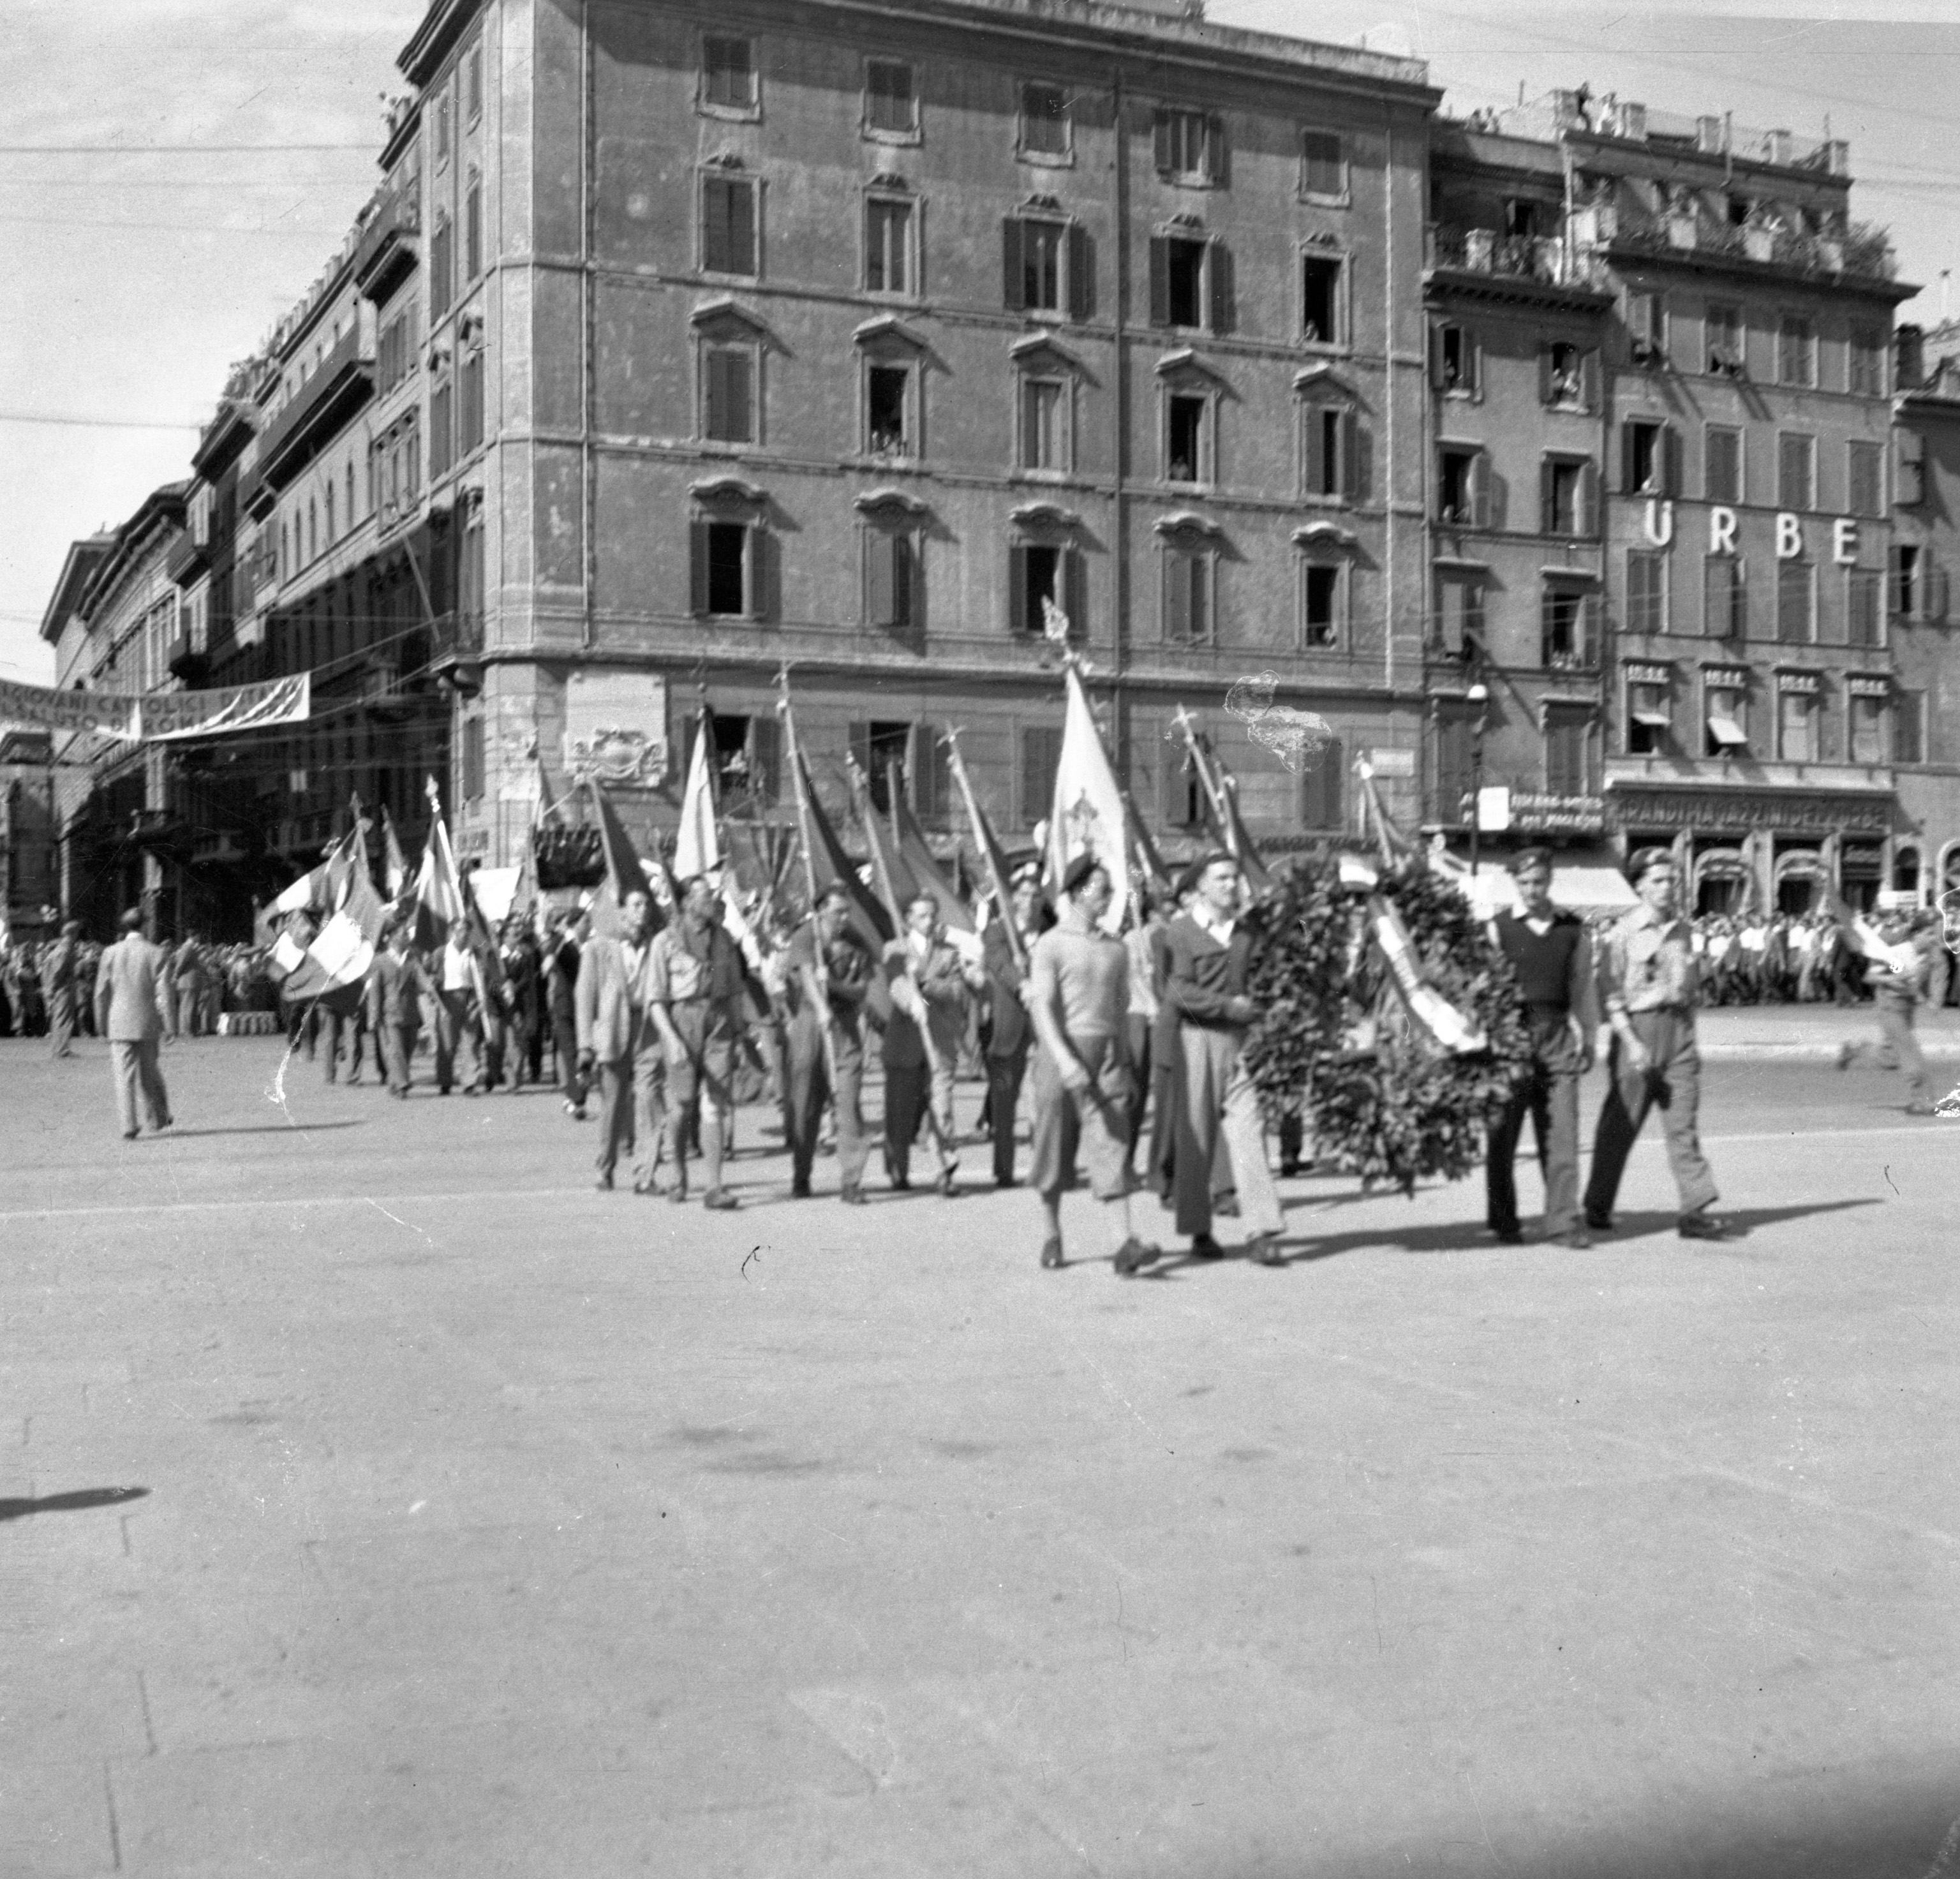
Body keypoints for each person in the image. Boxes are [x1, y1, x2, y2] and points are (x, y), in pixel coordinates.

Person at [1582, 849, 1731, 1240]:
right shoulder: (1621, 934)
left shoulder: (1682, 931)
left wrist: (1689, 1033)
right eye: (1659, 881)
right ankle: (1597, 1205)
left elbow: (1690, 985)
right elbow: (1610, 996)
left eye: (1672, 880)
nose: (1668, 888)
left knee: (1684, 1127)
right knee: (1621, 1125)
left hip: (1678, 1033)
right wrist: (1631, 1042)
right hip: (1639, 1032)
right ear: (1640, 886)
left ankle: (1694, 1210)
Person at [1025, 856, 1159, 1275]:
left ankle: (1125, 1244)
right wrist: (1064, 1059)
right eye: (1102, 889)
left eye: (1111, 889)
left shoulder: (1116, 948)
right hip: (1061, 1054)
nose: (1110, 896)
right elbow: (1042, 1008)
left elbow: (1120, 1007)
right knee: (1053, 1145)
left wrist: (1122, 1059)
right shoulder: (1051, 944)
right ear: (1077, 892)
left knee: (1112, 1144)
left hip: (1107, 1056)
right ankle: (1052, 1234)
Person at [1162, 852, 1284, 1263]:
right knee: (1197, 1137)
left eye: (1234, 878)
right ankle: (1199, 1231)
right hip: (1197, 1041)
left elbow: (1267, 971)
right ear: (1200, 886)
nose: (1231, 885)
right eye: (1221, 879)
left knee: (1250, 1130)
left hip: (1240, 1042)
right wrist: (1227, 1007)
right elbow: (1177, 991)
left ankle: (1261, 1230)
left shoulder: (1247, 932)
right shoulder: (1180, 932)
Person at [1485, 848, 1598, 1249]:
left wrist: (1590, 1037)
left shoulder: (1573, 930)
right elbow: (1486, 990)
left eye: (1539, 882)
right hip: (1512, 1039)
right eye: (1524, 882)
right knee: (1503, 1136)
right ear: (1515, 883)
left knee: (1563, 1137)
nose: (1532, 890)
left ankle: (1563, 1223)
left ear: (1550, 881)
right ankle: (1504, 1219)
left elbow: (1583, 986)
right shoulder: (1498, 929)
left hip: (1557, 1038)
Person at [648, 874, 746, 1209]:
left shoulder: (724, 939)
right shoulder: (666, 941)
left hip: (718, 1020)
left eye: (712, 895)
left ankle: (714, 1187)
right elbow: (655, 999)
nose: (711, 901)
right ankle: (678, 1174)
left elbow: (735, 989)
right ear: (687, 902)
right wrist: (671, 1039)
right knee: (682, 1106)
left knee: (714, 1104)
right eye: (704, 896)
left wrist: (739, 1034)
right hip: (682, 1020)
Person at [779, 884, 878, 1203]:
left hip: (845, 1026)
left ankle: (852, 1181)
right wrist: (821, 1007)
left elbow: (861, 990)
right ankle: (801, 1174)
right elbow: (807, 975)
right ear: (821, 910)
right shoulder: (805, 936)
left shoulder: (856, 941)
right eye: (838, 912)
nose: (844, 918)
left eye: (847, 912)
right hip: (811, 1023)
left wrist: (833, 985)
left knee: (848, 1105)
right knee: (806, 1103)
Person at [574, 887, 665, 1193]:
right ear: (622, 911)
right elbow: (585, 997)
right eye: (636, 905)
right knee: (613, 1103)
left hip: (648, 1029)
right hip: (612, 1029)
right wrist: (585, 1044)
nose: (643, 910)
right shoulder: (599, 948)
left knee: (650, 1098)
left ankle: (645, 1175)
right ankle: (606, 1166)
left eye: (646, 905)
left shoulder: (656, 944)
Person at [880, 894, 963, 1196]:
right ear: (908, 920)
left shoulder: (948, 953)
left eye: (932, 915)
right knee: (900, 1111)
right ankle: (898, 1170)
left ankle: (945, 1170)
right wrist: (911, 1000)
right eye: (922, 916)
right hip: (905, 1043)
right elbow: (895, 984)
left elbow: (956, 991)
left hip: (939, 1042)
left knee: (942, 1108)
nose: (929, 921)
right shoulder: (895, 949)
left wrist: (927, 986)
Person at [979, 868, 1045, 1189]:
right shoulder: (997, 931)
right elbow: (1001, 965)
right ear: (1013, 898)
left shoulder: (1049, 930)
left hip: (1044, 1027)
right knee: (1005, 1102)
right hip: (1009, 1027)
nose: (1030, 901)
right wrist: (1022, 983)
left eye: (1035, 895)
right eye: (1024, 895)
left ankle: (1045, 1166)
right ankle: (1004, 1169)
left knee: (1045, 1099)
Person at [1836, 910, 1934, 1113]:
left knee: (1890, 1058)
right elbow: (1870, 977)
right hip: (1890, 1008)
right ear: (1917, 934)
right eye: (1930, 934)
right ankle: (1921, 1100)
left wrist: (1924, 997)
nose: (1933, 939)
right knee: (1910, 1052)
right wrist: (1892, 979)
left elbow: (1919, 983)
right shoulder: (1897, 954)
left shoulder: (1927, 957)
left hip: (1907, 1009)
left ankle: (1855, 1050)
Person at [94, 907, 173, 1140]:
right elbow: (165, 992)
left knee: (123, 1077)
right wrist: (169, 1024)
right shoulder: (156, 952)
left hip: (118, 1022)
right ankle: (157, 1118)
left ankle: (128, 1125)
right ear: (145, 925)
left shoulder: (110, 952)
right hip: (147, 1020)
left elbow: (100, 992)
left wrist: (100, 1025)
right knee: (150, 1073)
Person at [366, 921, 427, 1098]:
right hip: (389, 1014)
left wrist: (431, 991)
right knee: (395, 1050)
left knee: (407, 1051)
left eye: (407, 934)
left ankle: (395, 1081)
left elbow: (422, 980)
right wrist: (373, 1015)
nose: (407, 937)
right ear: (392, 937)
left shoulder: (412, 959)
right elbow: (375, 991)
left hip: (410, 1013)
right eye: (403, 933)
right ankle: (402, 1085)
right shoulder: (380, 961)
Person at [433, 923, 489, 1094]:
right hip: (448, 998)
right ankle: (445, 1080)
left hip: (469, 996)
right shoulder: (442, 953)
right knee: (447, 1043)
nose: (465, 934)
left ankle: (469, 1083)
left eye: (467, 931)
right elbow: (433, 975)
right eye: (461, 931)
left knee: (470, 1041)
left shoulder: (473, 952)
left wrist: (481, 999)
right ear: (452, 932)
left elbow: (481, 975)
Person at [546, 910, 590, 1117]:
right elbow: (550, 952)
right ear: (575, 924)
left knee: (587, 1058)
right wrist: (550, 956)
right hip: (565, 1007)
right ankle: (577, 1101)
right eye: (585, 922)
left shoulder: (591, 947)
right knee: (571, 1055)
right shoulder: (563, 945)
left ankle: (572, 1097)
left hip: (587, 1010)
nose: (589, 926)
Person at [44, 920, 81, 1058]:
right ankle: (61, 1050)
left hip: (63, 989)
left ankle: (60, 1049)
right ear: (72, 933)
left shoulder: (65, 949)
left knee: (62, 1019)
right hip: (63, 990)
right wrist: (51, 991)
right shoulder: (64, 951)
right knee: (63, 1019)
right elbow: (56, 973)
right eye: (76, 932)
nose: (77, 935)